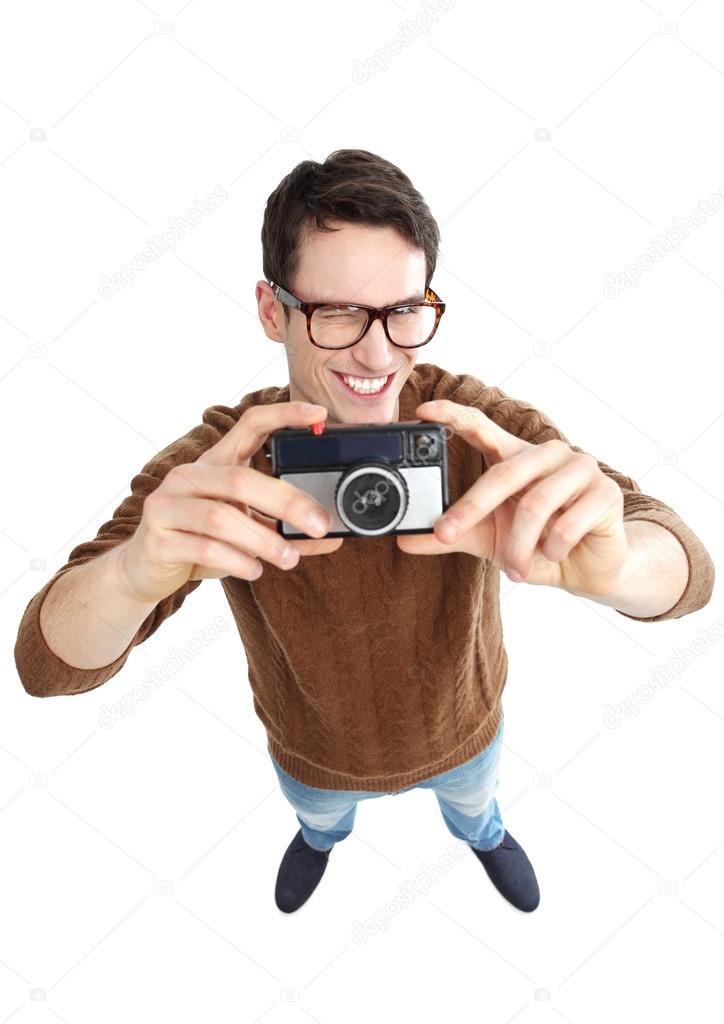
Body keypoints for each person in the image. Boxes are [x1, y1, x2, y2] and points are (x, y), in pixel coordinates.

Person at [15, 149, 715, 917]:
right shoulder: (226, 456)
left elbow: (686, 567)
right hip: (313, 753)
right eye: (337, 312)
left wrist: (615, 570)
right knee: (317, 814)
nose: (379, 353)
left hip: (465, 733)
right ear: (272, 310)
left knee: (477, 805)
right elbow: (46, 668)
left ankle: (482, 834)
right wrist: (130, 575)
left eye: (404, 311)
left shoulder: (470, 422)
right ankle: (320, 838)